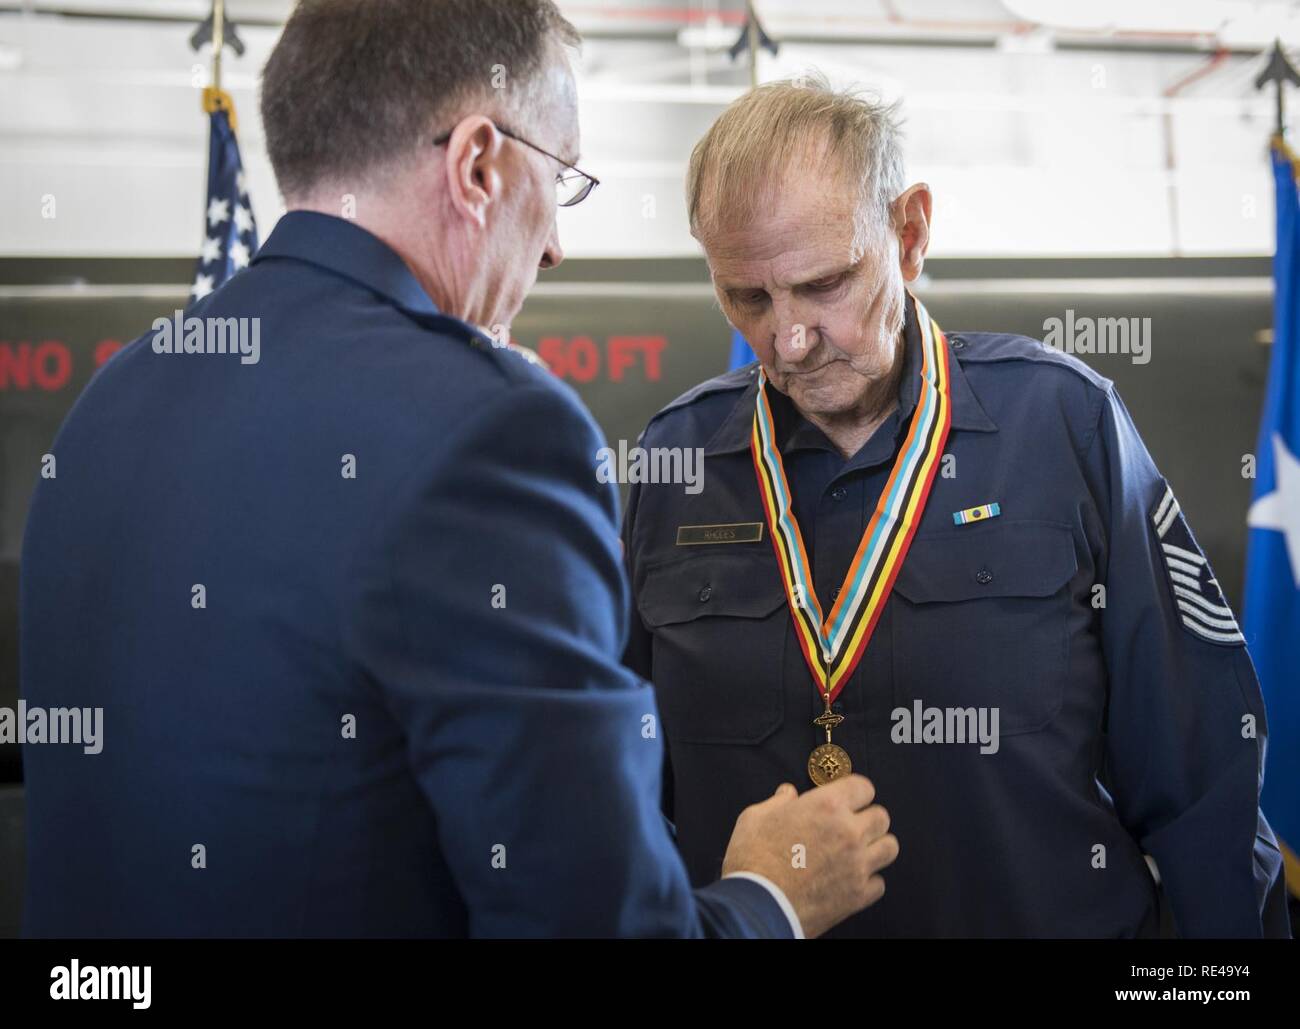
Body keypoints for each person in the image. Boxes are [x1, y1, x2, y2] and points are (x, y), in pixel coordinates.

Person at [19, 0, 898, 938]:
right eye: (559, 179)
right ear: (479, 165)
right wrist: (769, 897)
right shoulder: (493, 433)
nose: (554, 246)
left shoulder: (110, 405)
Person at [621, 76, 1291, 938]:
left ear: (909, 235)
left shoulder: (1065, 426)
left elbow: (1205, 783)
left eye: (824, 283)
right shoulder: (677, 465)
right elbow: (616, 792)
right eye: (747, 297)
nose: (787, 338)